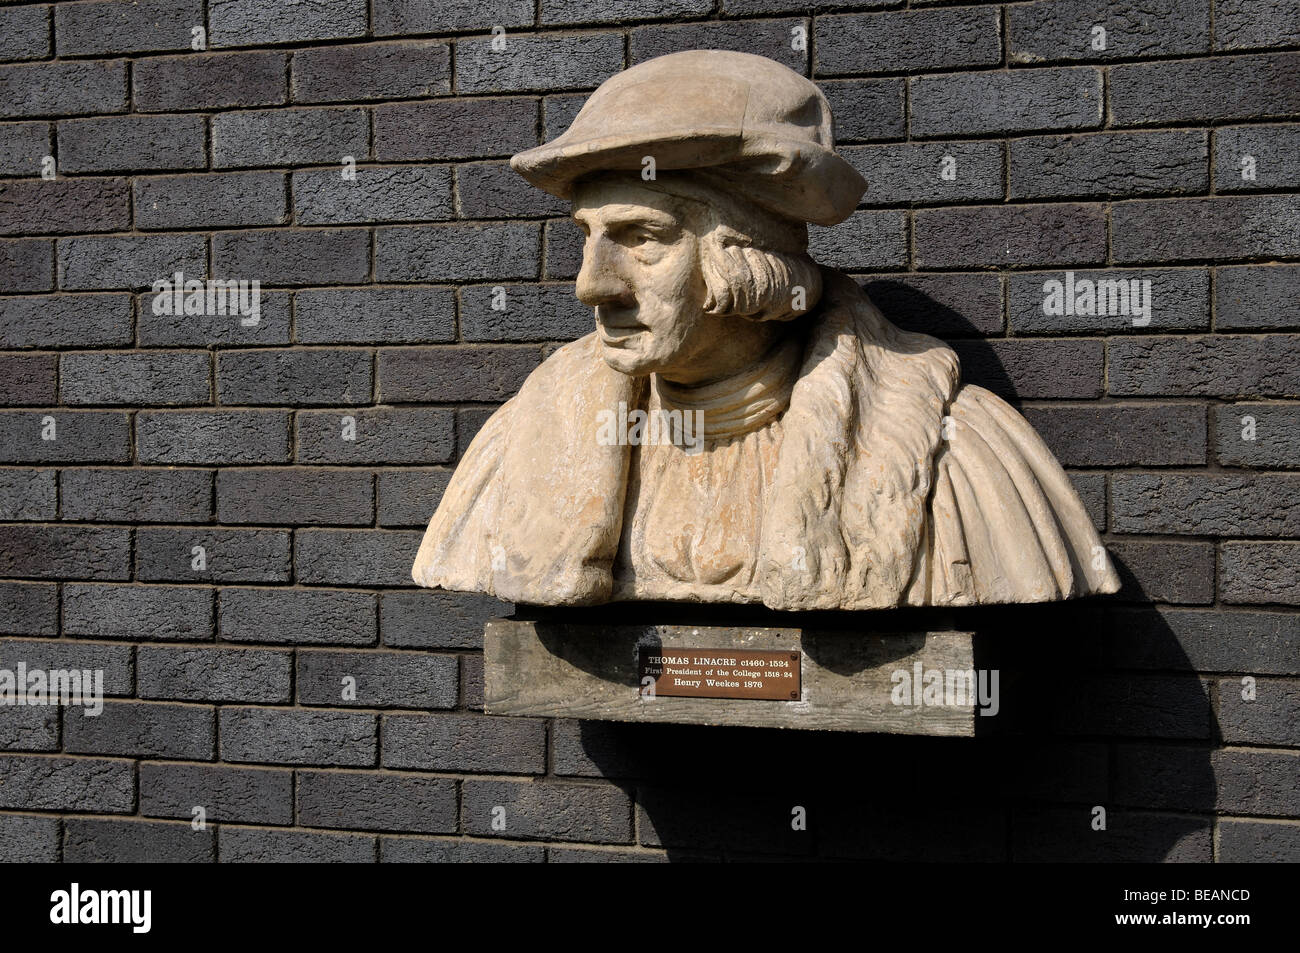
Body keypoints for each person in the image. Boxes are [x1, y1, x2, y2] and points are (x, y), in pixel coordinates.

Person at [412, 50, 1120, 610]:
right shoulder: (517, 453)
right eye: (589, 238)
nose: (591, 284)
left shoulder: (956, 459)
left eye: (642, 238)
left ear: (746, 265)